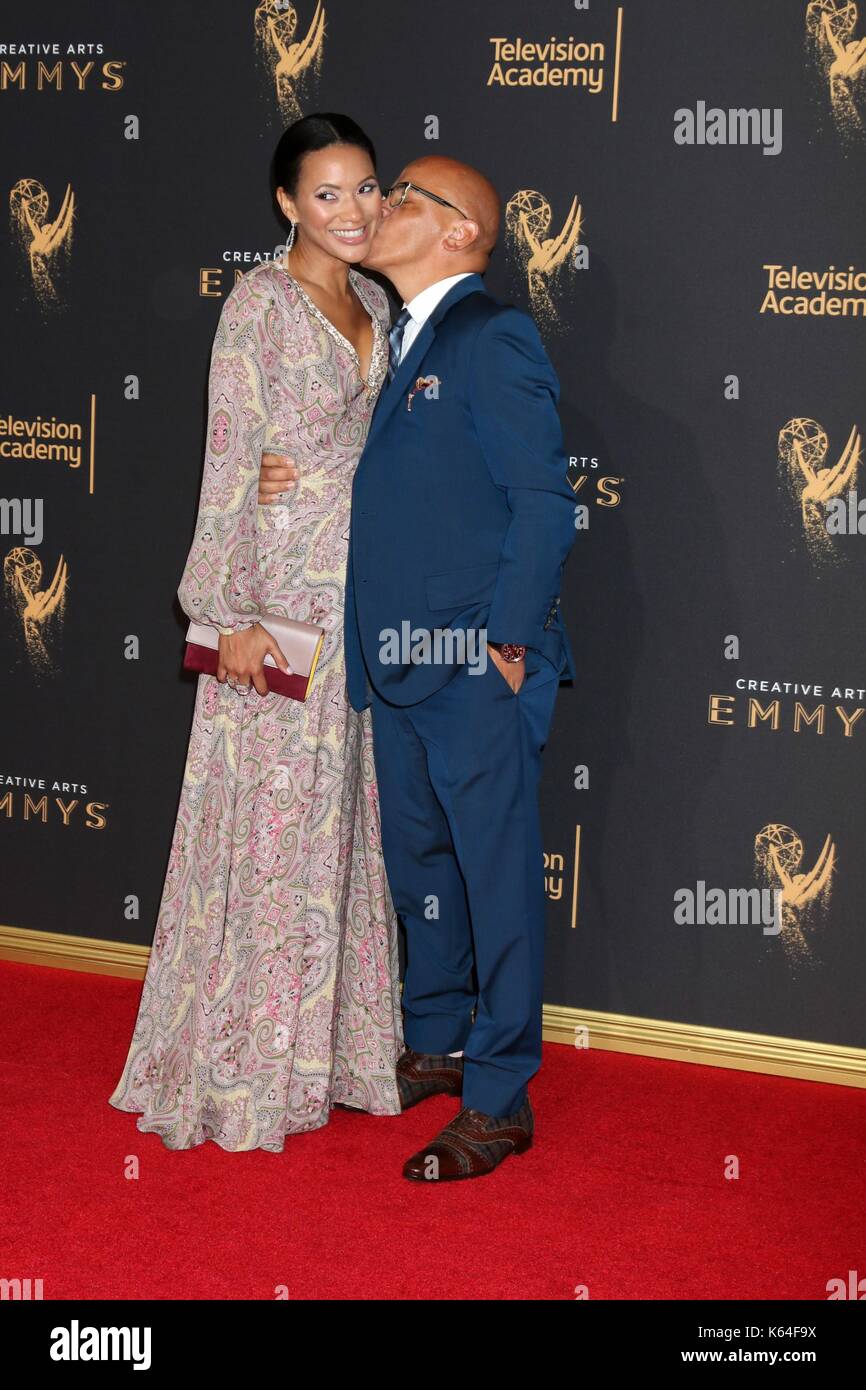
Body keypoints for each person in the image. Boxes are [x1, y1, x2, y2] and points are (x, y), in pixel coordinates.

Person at [259, 155, 577, 1180]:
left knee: (490, 877)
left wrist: (505, 647)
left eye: (402, 196)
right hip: (391, 667)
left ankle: (497, 1095)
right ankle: (434, 1041)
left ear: (459, 231)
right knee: (420, 870)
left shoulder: (492, 337)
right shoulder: (393, 339)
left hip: (472, 667)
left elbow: (542, 504)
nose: (379, 207)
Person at [109, 114, 403, 1152]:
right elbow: (231, 457)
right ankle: (242, 1067)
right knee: (268, 831)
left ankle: (329, 1055)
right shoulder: (257, 306)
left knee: (332, 824)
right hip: (277, 599)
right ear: (286, 204)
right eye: (327, 194)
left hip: (356, 595)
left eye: (365, 187)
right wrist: (221, 612)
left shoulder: (376, 298)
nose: (353, 210)